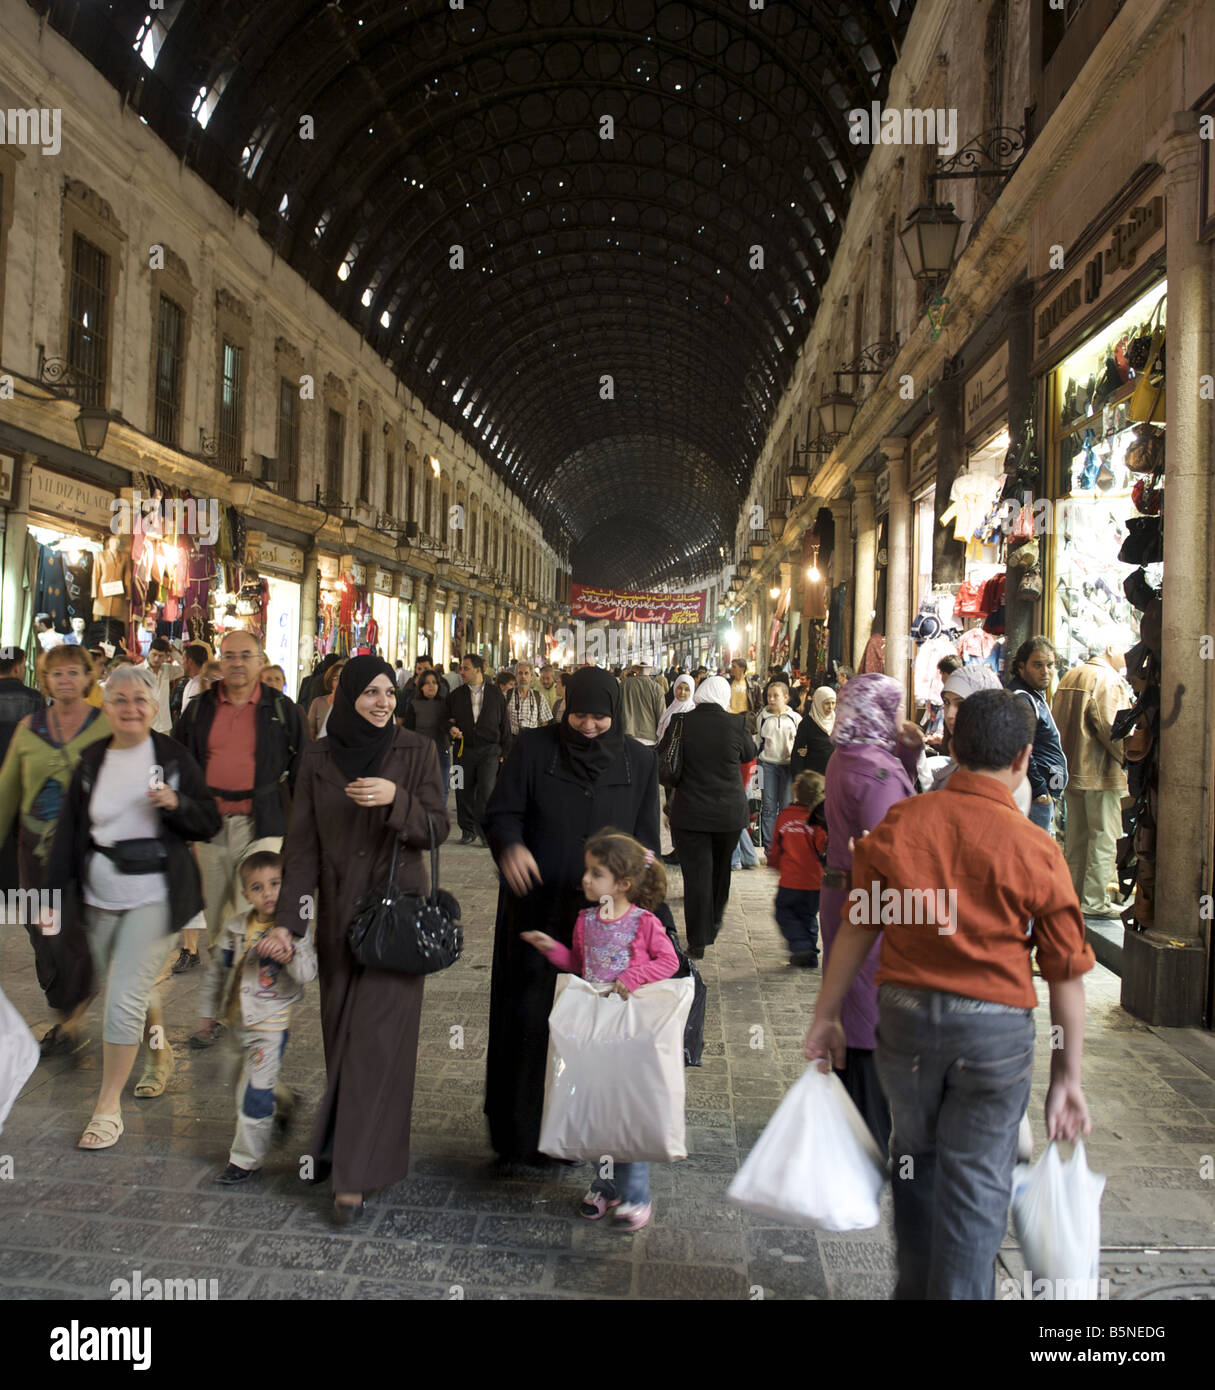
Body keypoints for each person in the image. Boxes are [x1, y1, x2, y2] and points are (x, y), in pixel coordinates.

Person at [804, 690, 1095, 1300]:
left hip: (905, 1027)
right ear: (1022, 759)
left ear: (954, 749)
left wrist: (827, 1015)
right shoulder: (1036, 848)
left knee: (915, 1164)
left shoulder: (904, 822)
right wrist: (1066, 1077)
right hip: (993, 1036)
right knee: (976, 1184)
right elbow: (1066, 970)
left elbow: (859, 923)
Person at [265, 655, 449, 1220]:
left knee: (376, 1041)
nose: (382, 702)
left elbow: (439, 827)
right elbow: (301, 850)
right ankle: (338, 1143)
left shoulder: (416, 751)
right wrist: (288, 922)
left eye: (388, 693)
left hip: (396, 918)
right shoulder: (318, 757)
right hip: (340, 919)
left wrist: (398, 801)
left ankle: (353, 1173)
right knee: (343, 1037)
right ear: (346, 698)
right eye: (369, 693)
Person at [482, 665, 659, 1161]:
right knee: (531, 1014)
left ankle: (579, 1132)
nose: (588, 726)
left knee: (591, 1024)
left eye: (599, 718)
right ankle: (521, 1133)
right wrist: (510, 846)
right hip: (538, 908)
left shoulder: (638, 762)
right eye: (579, 715)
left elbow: (646, 841)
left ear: (614, 714)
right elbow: (501, 812)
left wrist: (645, 908)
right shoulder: (535, 749)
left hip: (605, 922)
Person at [45, 665, 220, 1148]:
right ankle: (159, 1052)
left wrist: (174, 802)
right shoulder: (91, 760)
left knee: (121, 996)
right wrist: (51, 896)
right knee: (133, 989)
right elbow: (70, 833)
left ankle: (106, 1109)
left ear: (155, 707)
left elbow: (208, 821)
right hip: (100, 897)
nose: (130, 708)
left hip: (156, 897)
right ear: (106, 705)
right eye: (119, 699)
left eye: (140, 700)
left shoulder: (174, 757)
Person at [522, 829, 679, 1231]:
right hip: (595, 1028)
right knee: (596, 1108)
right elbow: (579, 963)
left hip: (630, 1030)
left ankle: (636, 1193)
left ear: (623, 884)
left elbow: (669, 962)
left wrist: (635, 974)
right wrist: (550, 949)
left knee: (627, 1112)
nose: (586, 880)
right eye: (587, 873)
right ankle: (604, 1185)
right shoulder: (584, 920)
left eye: (596, 874)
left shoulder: (644, 923)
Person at [817, 672, 921, 1152]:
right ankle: (864, 1133)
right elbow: (891, 843)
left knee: (851, 1000)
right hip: (869, 898)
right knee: (866, 1009)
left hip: (841, 892)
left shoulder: (848, 754)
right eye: (894, 709)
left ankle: (849, 1122)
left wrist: (907, 755)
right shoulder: (875, 770)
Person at [171, 629, 304, 978]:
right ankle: (226, 987)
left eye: (246, 655)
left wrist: (304, 827)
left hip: (263, 825)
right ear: (219, 660)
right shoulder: (200, 709)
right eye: (229, 656)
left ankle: (247, 1001)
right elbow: (178, 763)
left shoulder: (281, 709)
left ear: (260, 661)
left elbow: (303, 768)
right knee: (217, 916)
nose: (237, 663)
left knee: (252, 912)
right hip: (211, 827)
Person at [0, 646, 110, 1054]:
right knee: (42, 933)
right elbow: (7, 790)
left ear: (87, 678)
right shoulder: (29, 728)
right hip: (35, 851)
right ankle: (63, 1006)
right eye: (56, 674)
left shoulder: (105, 727)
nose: (65, 680)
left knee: (74, 932)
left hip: (87, 850)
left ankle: (71, 1019)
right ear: (45, 680)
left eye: (73, 673)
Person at [196, 850, 317, 1184]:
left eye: (276, 884)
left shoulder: (294, 929)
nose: (269, 893)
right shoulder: (235, 928)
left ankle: (246, 1160)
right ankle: (285, 1099)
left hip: (269, 1028)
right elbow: (216, 975)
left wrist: (289, 953)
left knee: (251, 1093)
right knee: (236, 1080)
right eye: (258, 887)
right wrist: (207, 1014)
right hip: (235, 1025)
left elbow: (308, 972)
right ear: (245, 894)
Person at [668, 675, 757, 958]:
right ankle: (715, 919)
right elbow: (750, 753)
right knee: (719, 871)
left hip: (690, 812)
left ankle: (698, 939)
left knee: (696, 875)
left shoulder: (681, 722)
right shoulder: (736, 723)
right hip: (727, 814)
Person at [1051, 632, 1130, 918]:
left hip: (1072, 770)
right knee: (1104, 837)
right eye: (1123, 647)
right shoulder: (1107, 679)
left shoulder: (1070, 676)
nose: (1127, 654)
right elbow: (1112, 728)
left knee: (1077, 837)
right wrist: (1129, 759)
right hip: (1100, 772)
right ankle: (1094, 902)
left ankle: (1073, 895)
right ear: (1110, 647)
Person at [767, 770, 828, 968]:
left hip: (790, 880)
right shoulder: (818, 819)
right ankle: (810, 954)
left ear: (796, 792)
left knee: (784, 913)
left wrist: (774, 864)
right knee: (808, 917)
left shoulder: (785, 816)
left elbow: (776, 846)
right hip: (814, 882)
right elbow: (822, 846)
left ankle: (801, 945)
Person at [1007, 637, 1068, 836]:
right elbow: (1021, 745)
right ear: (1021, 667)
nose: (1045, 671)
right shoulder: (1022, 697)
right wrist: (1040, 790)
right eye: (1038, 665)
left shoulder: (1033, 695)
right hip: (1035, 795)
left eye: (1050, 665)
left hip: (1043, 792)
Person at [449, 653, 510, 846]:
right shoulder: (455, 695)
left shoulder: (495, 694)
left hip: (489, 751)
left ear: (478, 669)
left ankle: (485, 832)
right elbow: (444, 719)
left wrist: (505, 752)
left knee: (487, 790)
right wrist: (449, 728)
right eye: (461, 668)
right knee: (461, 789)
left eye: (466, 668)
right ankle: (467, 830)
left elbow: (504, 724)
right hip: (462, 750)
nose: (462, 672)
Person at [756, 681, 800, 849]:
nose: (772, 699)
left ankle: (785, 845)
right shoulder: (762, 717)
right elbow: (758, 743)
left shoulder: (794, 718)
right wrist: (756, 777)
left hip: (788, 766)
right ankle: (770, 846)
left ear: (786, 697)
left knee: (786, 807)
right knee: (768, 807)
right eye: (769, 696)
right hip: (767, 766)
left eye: (776, 696)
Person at [403, 667, 453, 794]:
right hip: (420, 753)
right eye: (427, 683)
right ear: (421, 687)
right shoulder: (414, 704)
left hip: (441, 751)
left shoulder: (445, 704)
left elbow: (450, 725)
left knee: (441, 789)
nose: (431, 686)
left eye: (434, 682)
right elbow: (408, 731)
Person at [139, 638, 183, 736]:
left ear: (166, 656)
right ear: (149, 651)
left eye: (160, 656)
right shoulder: (137, 671)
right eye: (154, 654)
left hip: (164, 725)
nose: (156, 659)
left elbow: (184, 667)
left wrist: (173, 652)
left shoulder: (168, 670)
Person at [791, 686, 837, 778]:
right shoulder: (807, 724)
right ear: (818, 703)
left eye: (833, 703)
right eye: (827, 703)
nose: (830, 707)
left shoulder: (838, 721)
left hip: (835, 775)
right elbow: (798, 754)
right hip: (814, 778)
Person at [619, 664, 665, 747]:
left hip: (628, 735)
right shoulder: (657, 688)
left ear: (636, 668)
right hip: (649, 737)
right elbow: (661, 715)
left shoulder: (624, 684)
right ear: (651, 669)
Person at [507, 662, 553, 742]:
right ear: (516, 676)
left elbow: (545, 721)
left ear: (531, 677)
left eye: (526, 673)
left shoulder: (539, 697)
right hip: (511, 741)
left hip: (532, 741)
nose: (523, 676)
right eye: (520, 673)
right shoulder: (507, 695)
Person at [307, 658, 346, 741]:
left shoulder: (351, 704)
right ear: (330, 680)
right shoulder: (318, 703)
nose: (340, 681)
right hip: (320, 751)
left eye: (343, 677)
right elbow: (310, 733)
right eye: (336, 678)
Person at [173, 642, 211, 722]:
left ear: (189, 661)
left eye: (183, 659)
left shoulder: (203, 685)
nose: (182, 663)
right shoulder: (191, 682)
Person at [727, 658, 763, 733]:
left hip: (745, 721)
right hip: (730, 719)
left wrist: (752, 717)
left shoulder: (753, 686)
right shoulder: (727, 684)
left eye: (734, 667)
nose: (731, 669)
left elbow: (759, 705)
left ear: (742, 669)